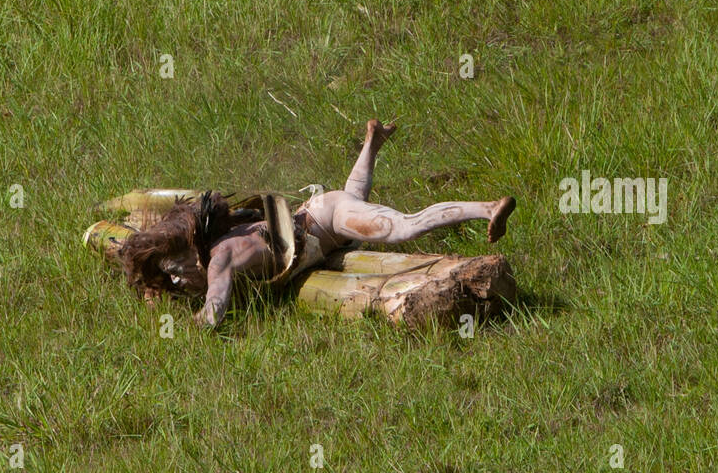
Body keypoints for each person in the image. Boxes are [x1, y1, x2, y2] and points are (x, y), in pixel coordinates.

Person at [115, 120, 515, 328]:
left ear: (185, 250)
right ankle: (372, 141)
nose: (179, 280)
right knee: (354, 196)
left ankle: (487, 207)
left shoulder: (219, 259)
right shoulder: (221, 239)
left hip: (329, 218)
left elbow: (214, 313)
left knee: (405, 227)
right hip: (328, 214)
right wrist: (162, 290)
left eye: (174, 273)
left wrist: (186, 324)